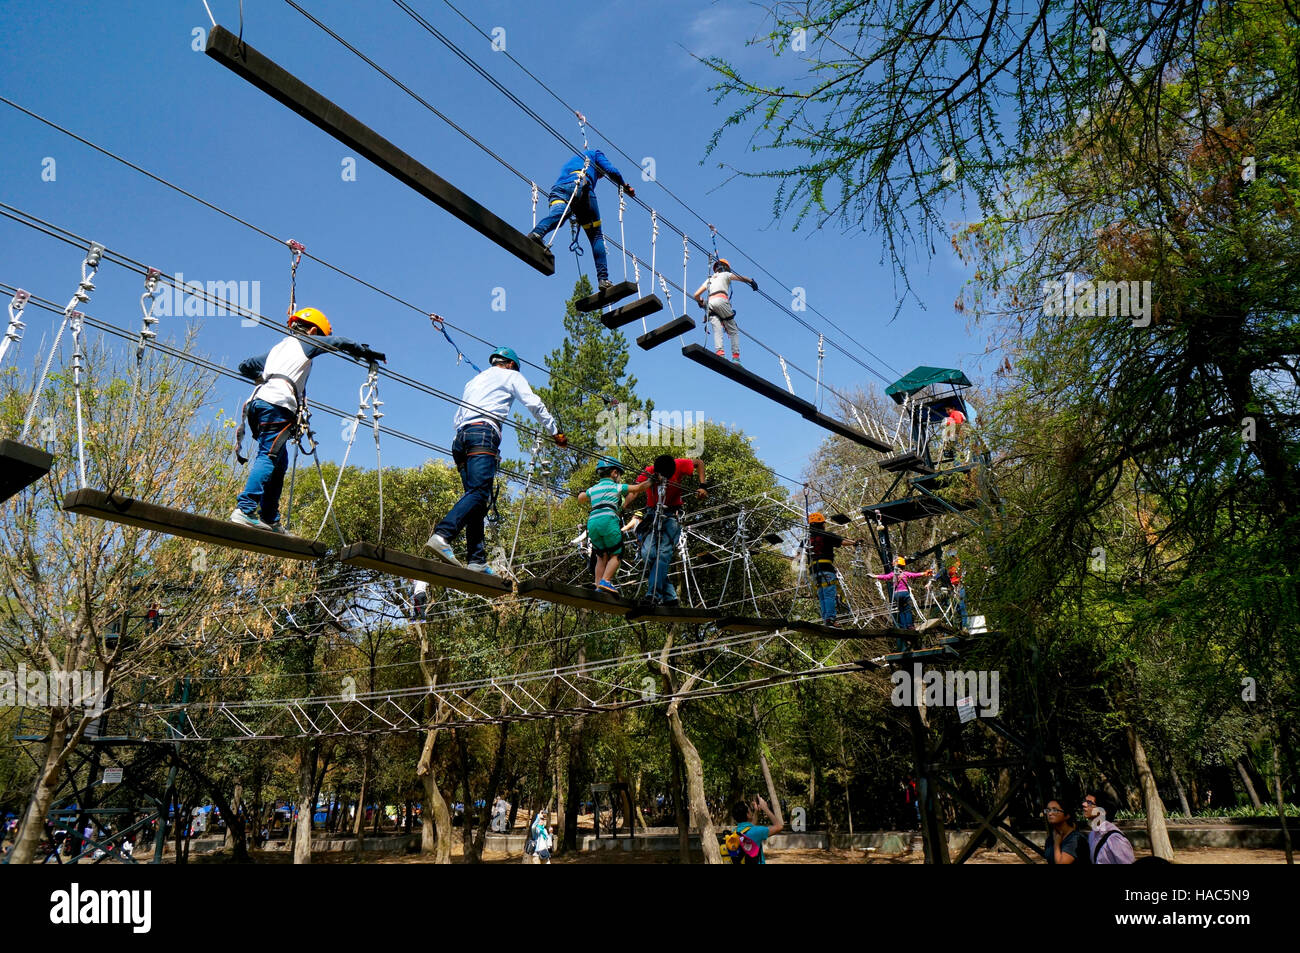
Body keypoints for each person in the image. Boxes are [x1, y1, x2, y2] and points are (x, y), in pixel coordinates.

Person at [232, 307, 385, 531]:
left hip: (258, 404)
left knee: (278, 460)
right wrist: (365, 353)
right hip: (277, 405)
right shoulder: (305, 342)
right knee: (269, 455)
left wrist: (265, 379)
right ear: (313, 330)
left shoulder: (278, 349)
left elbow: (244, 366)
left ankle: (269, 518)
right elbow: (340, 342)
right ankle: (245, 509)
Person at [426, 347, 567, 572]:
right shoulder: (512, 376)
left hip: (460, 440)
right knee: (479, 493)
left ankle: (477, 560)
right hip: (482, 433)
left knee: (476, 499)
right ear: (510, 364)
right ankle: (443, 535)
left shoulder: (474, 381)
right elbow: (534, 403)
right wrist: (555, 431)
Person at [527, 149, 635, 290]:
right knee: (596, 235)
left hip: (558, 190)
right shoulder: (595, 154)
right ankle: (603, 279)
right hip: (580, 186)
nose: (600, 177)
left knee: (559, 215)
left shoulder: (571, 162)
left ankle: (537, 233)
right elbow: (612, 171)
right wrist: (623, 185)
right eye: (600, 174)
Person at [627, 454, 707, 606]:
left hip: (671, 515)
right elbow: (635, 491)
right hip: (652, 514)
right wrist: (622, 507)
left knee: (663, 555)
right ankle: (670, 596)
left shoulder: (679, 464)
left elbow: (699, 463)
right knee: (647, 554)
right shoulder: (649, 471)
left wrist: (702, 486)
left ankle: (653, 596)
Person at [578, 457, 648, 594]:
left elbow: (580, 498)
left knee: (601, 556)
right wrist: (652, 481)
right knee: (617, 553)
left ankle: (598, 586)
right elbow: (639, 488)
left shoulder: (592, 489)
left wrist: (582, 493)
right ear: (615, 473)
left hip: (592, 523)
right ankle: (606, 581)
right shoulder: (617, 487)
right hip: (608, 520)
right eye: (619, 475)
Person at [693, 258, 758, 362]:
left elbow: (696, 295)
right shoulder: (725, 275)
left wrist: (701, 302)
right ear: (726, 268)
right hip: (721, 301)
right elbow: (739, 278)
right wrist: (751, 281)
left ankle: (720, 354)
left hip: (710, 304)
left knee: (717, 330)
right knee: (733, 329)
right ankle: (736, 358)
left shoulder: (710, 279)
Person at [807, 512, 859, 625]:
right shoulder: (826, 535)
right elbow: (841, 541)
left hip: (813, 572)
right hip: (826, 569)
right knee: (829, 594)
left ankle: (827, 619)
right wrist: (855, 542)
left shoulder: (807, 540)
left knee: (822, 595)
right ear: (822, 524)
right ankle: (830, 619)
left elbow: (798, 554)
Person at [871, 557, 933, 629]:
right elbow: (915, 575)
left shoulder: (893, 574)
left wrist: (875, 576)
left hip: (897, 594)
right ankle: (910, 625)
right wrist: (925, 573)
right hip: (905, 593)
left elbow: (885, 577)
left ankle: (904, 627)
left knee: (901, 611)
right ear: (903, 566)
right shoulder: (905, 573)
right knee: (907, 610)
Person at [727, 796, 783, 865]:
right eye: (750, 810)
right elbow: (779, 827)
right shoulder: (756, 831)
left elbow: (750, 826)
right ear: (747, 814)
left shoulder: (735, 832)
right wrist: (765, 808)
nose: (751, 811)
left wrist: (756, 811)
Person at [1083, 793, 1135, 864]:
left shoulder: (1114, 838)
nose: (1084, 804)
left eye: (1089, 803)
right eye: (1085, 801)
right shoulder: (1093, 834)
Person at [1042, 799, 1090, 865]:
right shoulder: (1050, 839)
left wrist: (1056, 844)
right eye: (1048, 810)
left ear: (1067, 815)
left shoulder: (1075, 839)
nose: (1050, 813)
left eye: (1055, 810)